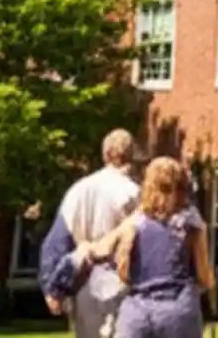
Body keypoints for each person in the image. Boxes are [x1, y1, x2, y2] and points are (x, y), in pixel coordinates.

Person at [84, 156, 215, 338]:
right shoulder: (191, 222)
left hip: (138, 314)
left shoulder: (135, 221)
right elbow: (203, 275)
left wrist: (86, 247)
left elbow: (102, 249)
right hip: (179, 312)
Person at [38, 129, 141, 338]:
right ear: (131, 156)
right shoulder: (134, 194)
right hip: (123, 283)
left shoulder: (79, 190)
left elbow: (56, 242)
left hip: (85, 283)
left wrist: (51, 287)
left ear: (105, 155)